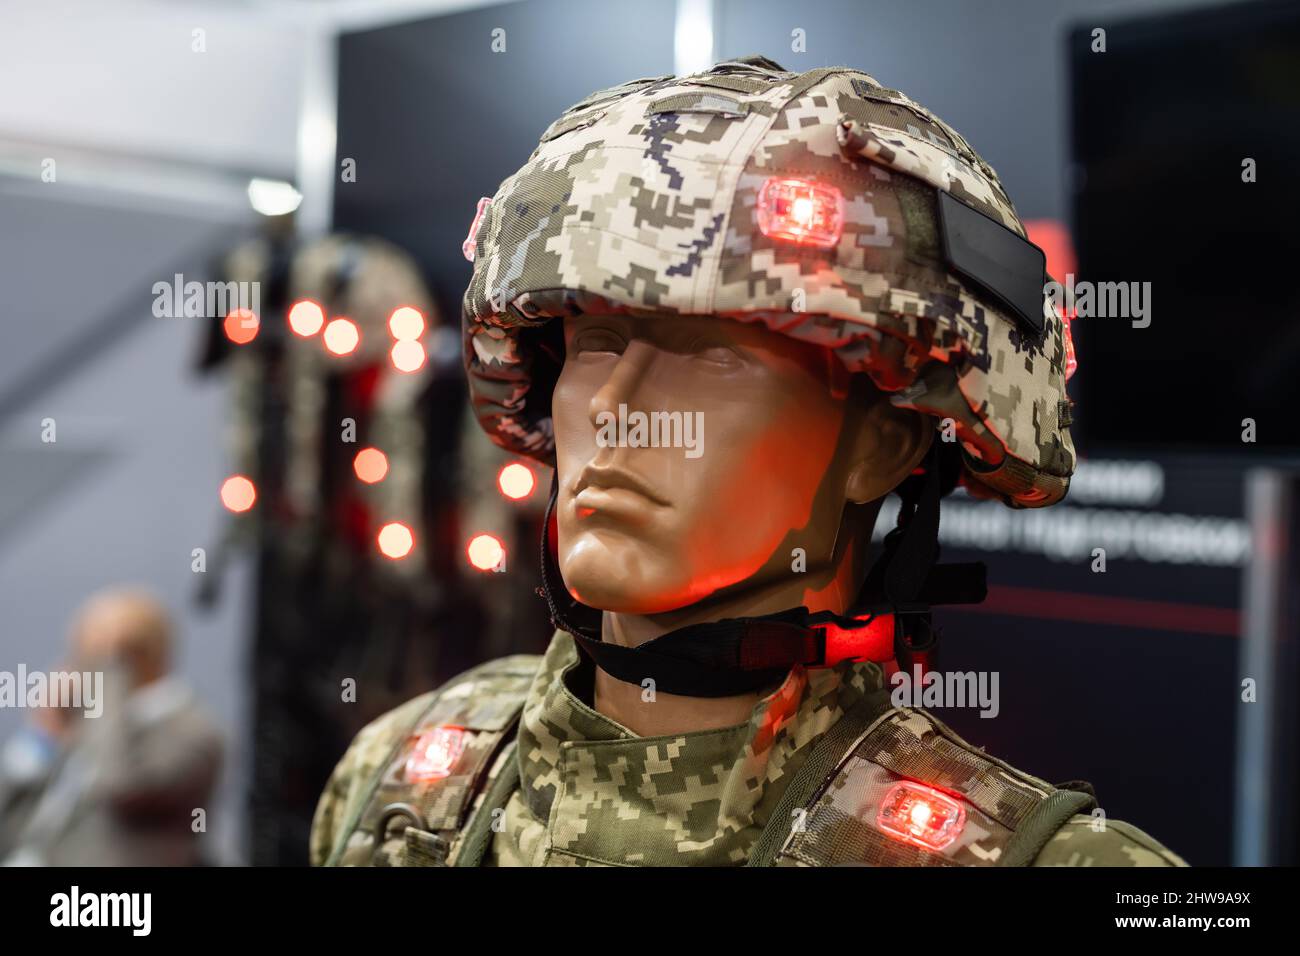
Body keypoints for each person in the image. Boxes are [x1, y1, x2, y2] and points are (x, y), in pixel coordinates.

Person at [311, 55, 1185, 867]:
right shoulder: (403, 786)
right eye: (597, 344)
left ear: (881, 446)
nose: (616, 411)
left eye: (712, 357)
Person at [0, 589, 223, 866]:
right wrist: (44, 736)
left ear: (126, 659)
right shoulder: (97, 723)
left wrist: (104, 682)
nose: (71, 670)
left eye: (85, 657)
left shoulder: (193, 730)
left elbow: (120, 785)